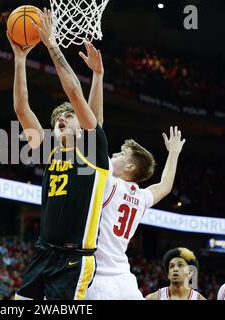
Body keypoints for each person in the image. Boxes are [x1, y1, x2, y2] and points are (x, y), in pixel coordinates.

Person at [8, 8, 111, 300]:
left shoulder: (93, 153)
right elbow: (21, 109)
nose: (61, 120)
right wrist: (19, 60)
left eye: (68, 117)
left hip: (73, 259)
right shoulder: (53, 152)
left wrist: (52, 45)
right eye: (57, 120)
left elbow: (77, 97)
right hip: (43, 253)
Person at [78, 40, 187, 300]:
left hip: (99, 280)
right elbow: (165, 186)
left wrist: (97, 75)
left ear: (129, 167)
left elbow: (94, 126)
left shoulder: (108, 182)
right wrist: (173, 153)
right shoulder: (138, 195)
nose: (113, 154)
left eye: (120, 154)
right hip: (126, 282)